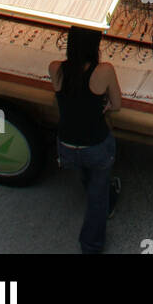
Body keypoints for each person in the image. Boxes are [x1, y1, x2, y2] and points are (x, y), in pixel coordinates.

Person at [49, 27, 121, 255]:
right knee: (96, 199)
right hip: (97, 146)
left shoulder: (55, 68)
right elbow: (117, 104)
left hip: (66, 147)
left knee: (87, 174)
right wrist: (105, 104)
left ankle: (106, 195)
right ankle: (91, 246)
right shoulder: (104, 71)